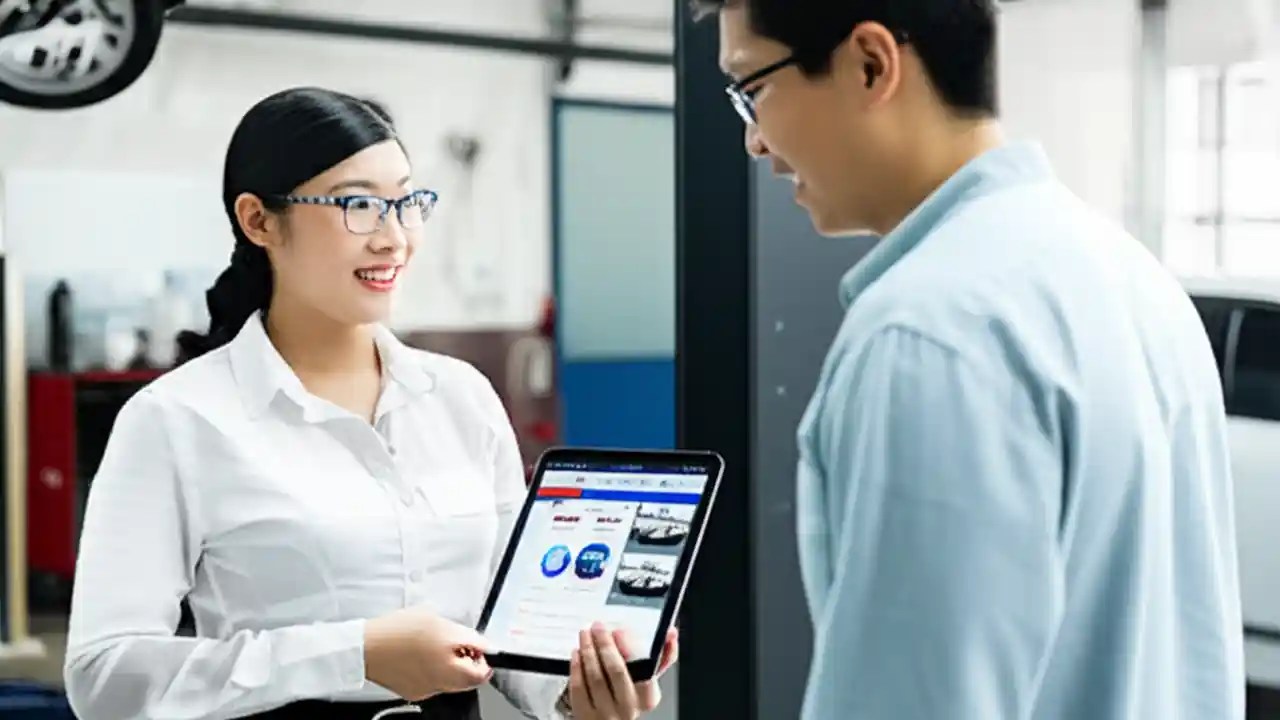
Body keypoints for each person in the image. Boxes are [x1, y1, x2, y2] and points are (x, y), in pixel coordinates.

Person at [693, 1, 1246, 719]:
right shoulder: (1137, 281)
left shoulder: (927, 335)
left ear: (870, 64)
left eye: (753, 87)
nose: (754, 143)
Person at [63, 87, 676, 720]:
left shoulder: (460, 397)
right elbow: (104, 676)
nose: (394, 238)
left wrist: (577, 693)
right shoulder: (176, 419)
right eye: (358, 204)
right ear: (259, 221)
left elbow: (504, 631)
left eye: (406, 202)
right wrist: (353, 654)